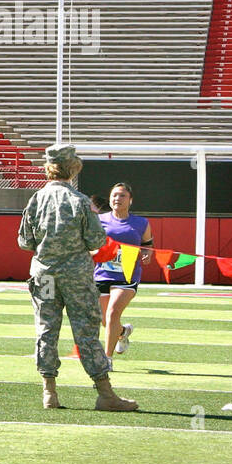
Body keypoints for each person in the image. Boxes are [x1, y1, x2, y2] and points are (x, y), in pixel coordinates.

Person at [19, 147, 138, 413]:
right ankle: (104, 393)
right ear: (73, 169)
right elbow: (96, 240)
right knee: (86, 331)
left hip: (44, 275)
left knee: (46, 329)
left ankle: (49, 392)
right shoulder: (80, 201)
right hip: (76, 277)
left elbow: (25, 241)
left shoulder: (35, 199)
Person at [94, 182, 153, 358]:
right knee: (106, 321)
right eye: (114, 195)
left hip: (127, 275)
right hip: (101, 275)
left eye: (122, 195)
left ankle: (107, 359)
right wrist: (95, 252)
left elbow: (148, 245)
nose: (117, 199)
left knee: (113, 312)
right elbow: (87, 244)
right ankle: (123, 332)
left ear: (130, 200)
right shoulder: (99, 220)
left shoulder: (141, 222)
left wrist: (147, 254)